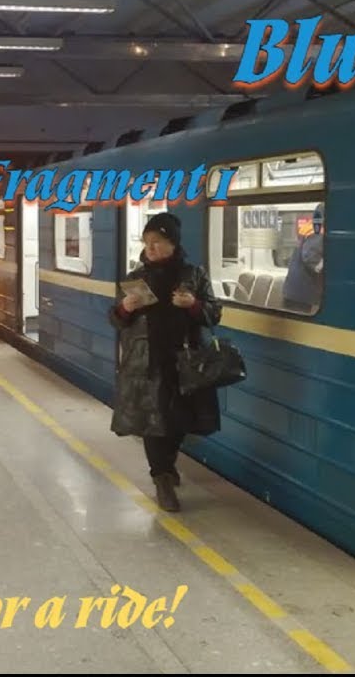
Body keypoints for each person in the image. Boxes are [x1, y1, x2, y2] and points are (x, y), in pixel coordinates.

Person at [108, 212, 222, 513]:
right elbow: (116, 320)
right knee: (153, 423)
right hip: (146, 363)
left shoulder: (193, 275)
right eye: (146, 242)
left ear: (173, 244)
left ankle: (167, 466)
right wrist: (125, 308)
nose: (150, 248)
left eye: (157, 242)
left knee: (178, 421)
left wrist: (193, 305)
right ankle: (161, 478)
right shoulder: (135, 278)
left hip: (184, 362)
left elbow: (214, 313)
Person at [282, 204, 325, 314]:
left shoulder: (309, 227)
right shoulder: (318, 232)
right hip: (303, 290)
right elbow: (311, 258)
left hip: (294, 288)